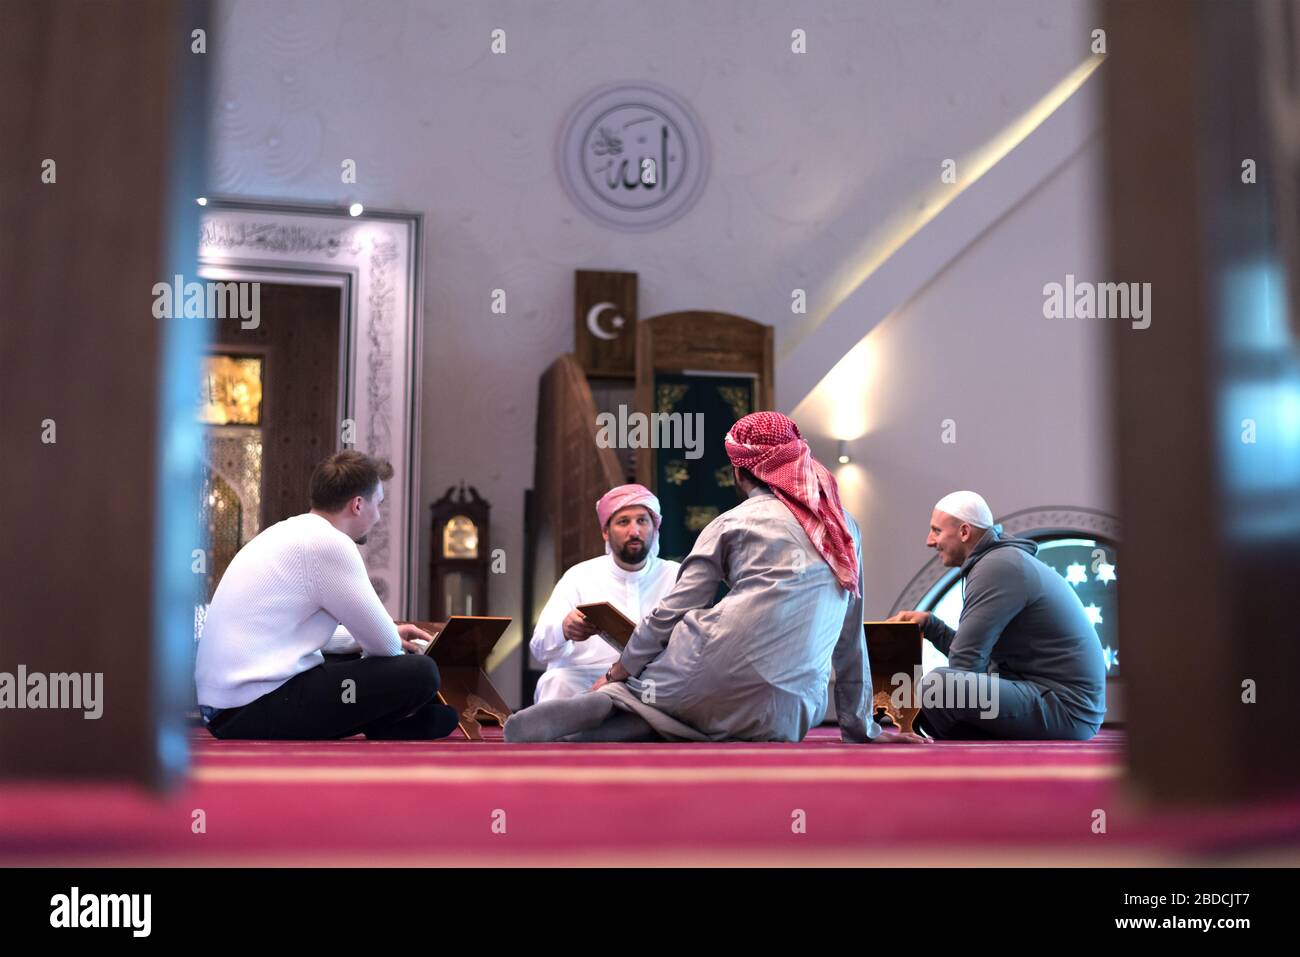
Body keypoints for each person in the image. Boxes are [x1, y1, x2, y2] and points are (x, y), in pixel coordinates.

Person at [506, 411, 927, 745]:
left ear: (739, 475)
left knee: (648, 691)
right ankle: (644, 721)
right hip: (792, 712)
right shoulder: (844, 528)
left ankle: (619, 705)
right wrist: (860, 726)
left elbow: (673, 611)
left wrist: (620, 673)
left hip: (700, 681)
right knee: (708, 715)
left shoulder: (733, 523)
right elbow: (849, 637)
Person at [195, 450, 459, 740]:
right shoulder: (330, 544)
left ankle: (384, 723)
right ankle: (384, 723)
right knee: (420, 672)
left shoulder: (287, 532)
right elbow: (385, 647)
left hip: (223, 710)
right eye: (379, 504)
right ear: (358, 504)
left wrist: (361, 640)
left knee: (342, 660)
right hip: (255, 707)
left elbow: (290, 634)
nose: (379, 516)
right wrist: (393, 642)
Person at [889, 490, 1106, 740]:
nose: (929, 540)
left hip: (1067, 709)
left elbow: (965, 665)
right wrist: (931, 626)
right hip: (1055, 702)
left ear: (964, 532)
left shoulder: (997, 567)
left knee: (935, 686)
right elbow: (978, 660)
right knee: (932, 688)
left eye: (936, 530)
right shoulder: (1000, 561)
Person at [528, 484, 679, 702]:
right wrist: (564, 629)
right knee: (556, 681)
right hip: (587, 677)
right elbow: (539, 648)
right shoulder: (579, 576)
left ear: (655, 529)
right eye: (623, 522)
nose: (634, 531)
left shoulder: (674, 576)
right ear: (605, 532)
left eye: (642, 521)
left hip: (649, 678)